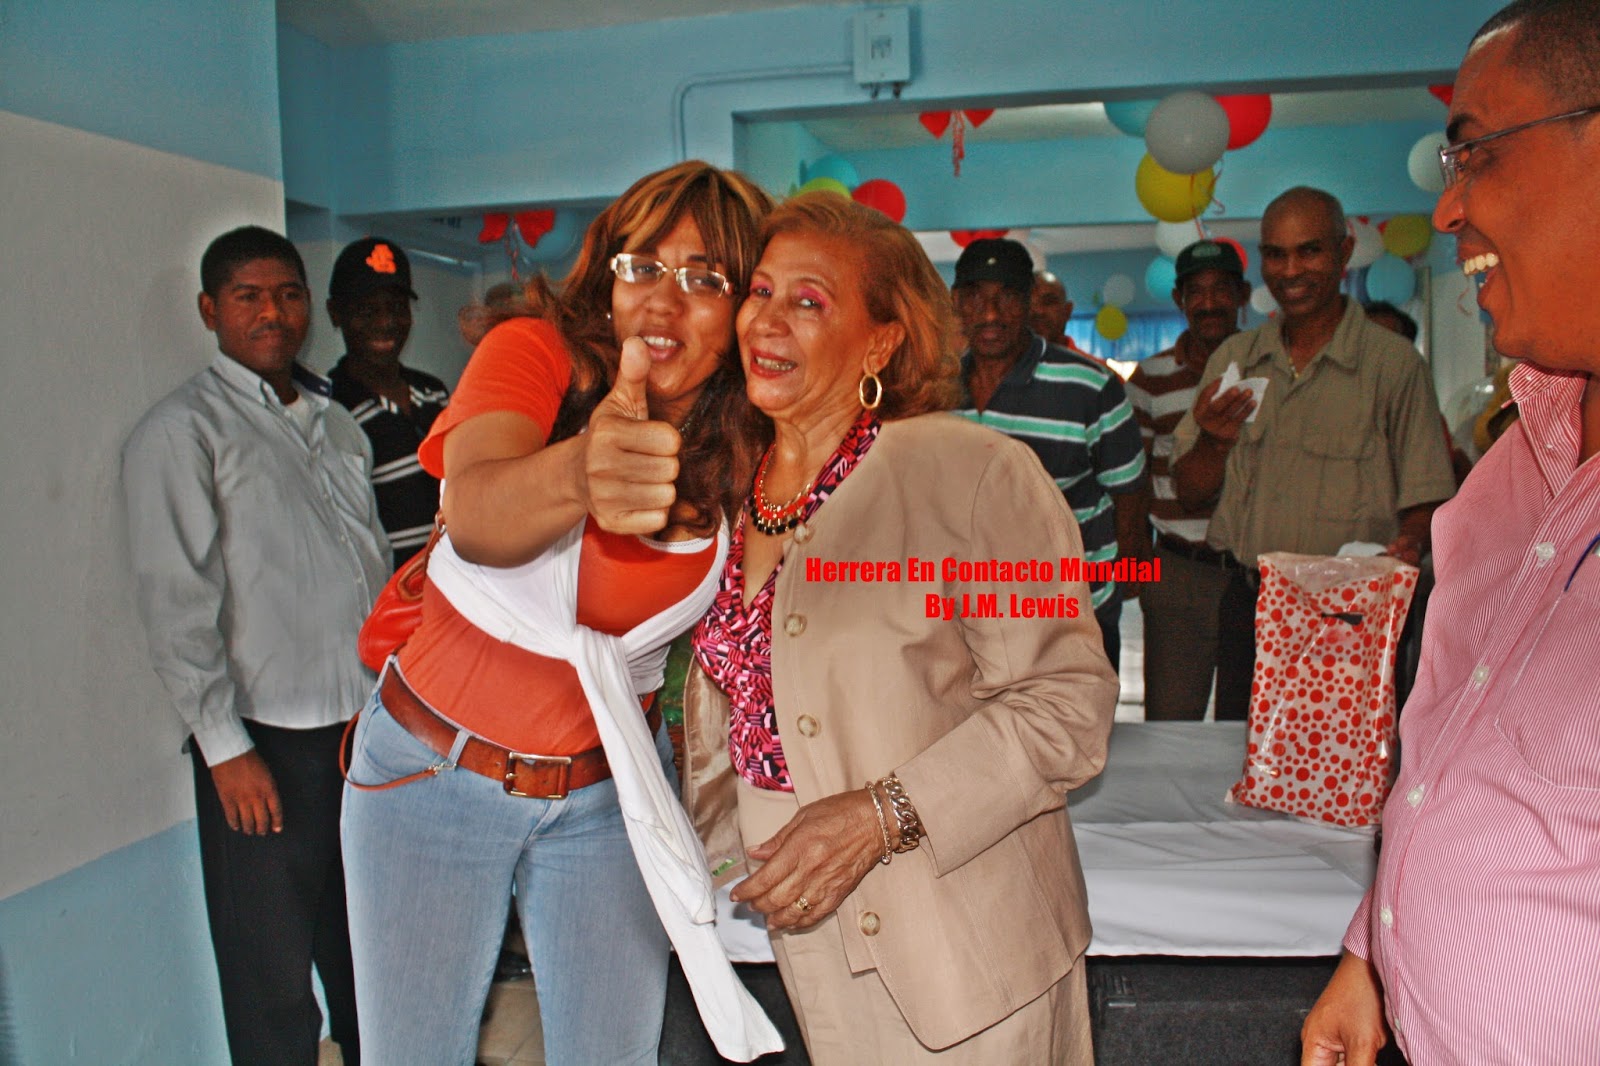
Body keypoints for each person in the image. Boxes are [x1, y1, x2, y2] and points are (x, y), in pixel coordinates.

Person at [339, 162, 779, 1066]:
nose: (662, 301)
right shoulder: (534, 352)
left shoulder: (743, 442)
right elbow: (477, 511)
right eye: (641, 266)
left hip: (609, 797)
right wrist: (581, 470)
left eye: (705, 280)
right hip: (431, 774)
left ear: (744, 310)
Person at [685, 193, 1120, 1063]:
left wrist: (882, 816)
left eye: (808, 301)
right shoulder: (733, 489)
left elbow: (1067, 707)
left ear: (880, 341)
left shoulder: (973, 475)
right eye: (760, 292)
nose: (767, 320)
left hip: (968, 950)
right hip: (809, 936)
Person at [1302, 2, 1600, 1061]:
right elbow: (1449, 751)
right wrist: (1370, 949)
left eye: (1475, 153)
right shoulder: (1505, 484)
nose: (1446, 208)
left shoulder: (1390, 374)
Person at [121, 226, 390, 1066]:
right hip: (263, 746)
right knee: (270, 982)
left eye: (287, 294)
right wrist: (225, 747)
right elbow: (176, 602)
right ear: (211, 310)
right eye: (249, 296)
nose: (273, 312)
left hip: (362, 737)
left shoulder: (336, 424)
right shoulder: (183, 432)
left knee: (369, 961)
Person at [1171, 187, 1456, 720]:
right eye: (1275, 254)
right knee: (1244, 755)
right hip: (1251, 607)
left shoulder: (1393, 367)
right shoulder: (1236, 359)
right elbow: (1189, 492)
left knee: (1342, 765)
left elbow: (1426, 496)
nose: (1290, 271)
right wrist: (1214, 441)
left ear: (1344, 252)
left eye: (1309, 251)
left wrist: (1410, 543)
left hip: (1350, 616)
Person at [954, 238, 1150, 672]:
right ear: (956, 303)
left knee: (1078, 719)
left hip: (1073, 616)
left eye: (1007, 297)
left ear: (1028, 302)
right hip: (969, 619)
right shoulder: (935, 388)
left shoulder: (1090, 386)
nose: (990, 314)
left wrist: (1121, 580)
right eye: (976, 297)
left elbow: (1130, 495)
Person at [1125, 239, 1250, 720]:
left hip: (1255, 574)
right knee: (1169, 723)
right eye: (1196, 292)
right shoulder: (1150, 377)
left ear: (1242, 295)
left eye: (1221, 290)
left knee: (1250, 727)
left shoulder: (1269, 369)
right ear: (1179, 299)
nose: (1209, 303)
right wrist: (1137, 564)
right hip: (1177, 571)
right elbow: (1132, 480)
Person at [327, 236, 452, 569]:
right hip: (389, 591)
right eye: (367, 311)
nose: (385, 323)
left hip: (453, 584)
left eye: (397, 308)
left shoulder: (433, 392)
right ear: (335, 313)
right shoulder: (330, 408)